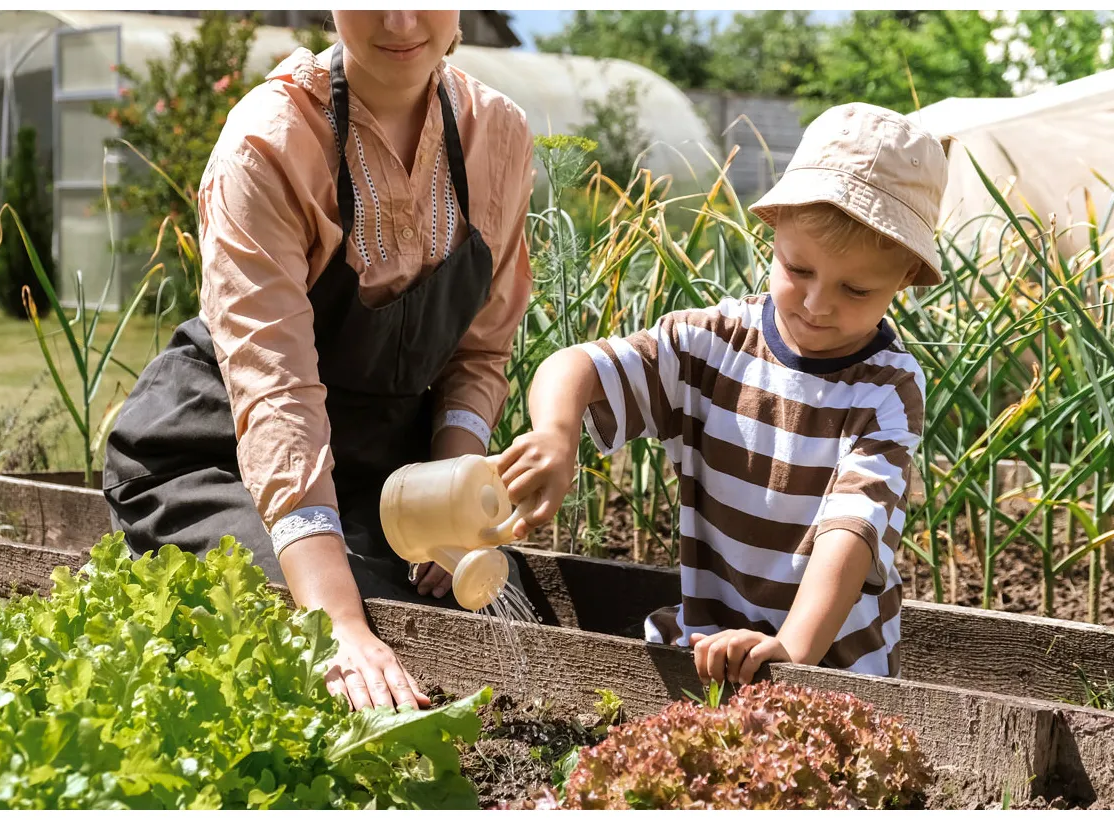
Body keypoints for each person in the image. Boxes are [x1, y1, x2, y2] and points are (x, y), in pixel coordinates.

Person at [104, 11, 534, 712]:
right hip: (224, 453)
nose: (399, 20)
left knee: (468, 602)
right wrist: (337, 624)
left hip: (379, 469)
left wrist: (448, 500)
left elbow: (480, 350)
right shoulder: (269, 144)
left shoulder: (499, 136)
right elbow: (278, 400)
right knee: (349, 634)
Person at [492, 102, 948, 685]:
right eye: (797, 269)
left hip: (833, 669)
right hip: (706, 648)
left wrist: (791, 649)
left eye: (856, 289)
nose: (817, 304)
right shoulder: (708, 345)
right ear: (774, 226)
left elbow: (851, 532)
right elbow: (573, 365)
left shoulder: (886, 389)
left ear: (906, 276)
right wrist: (557, 436)